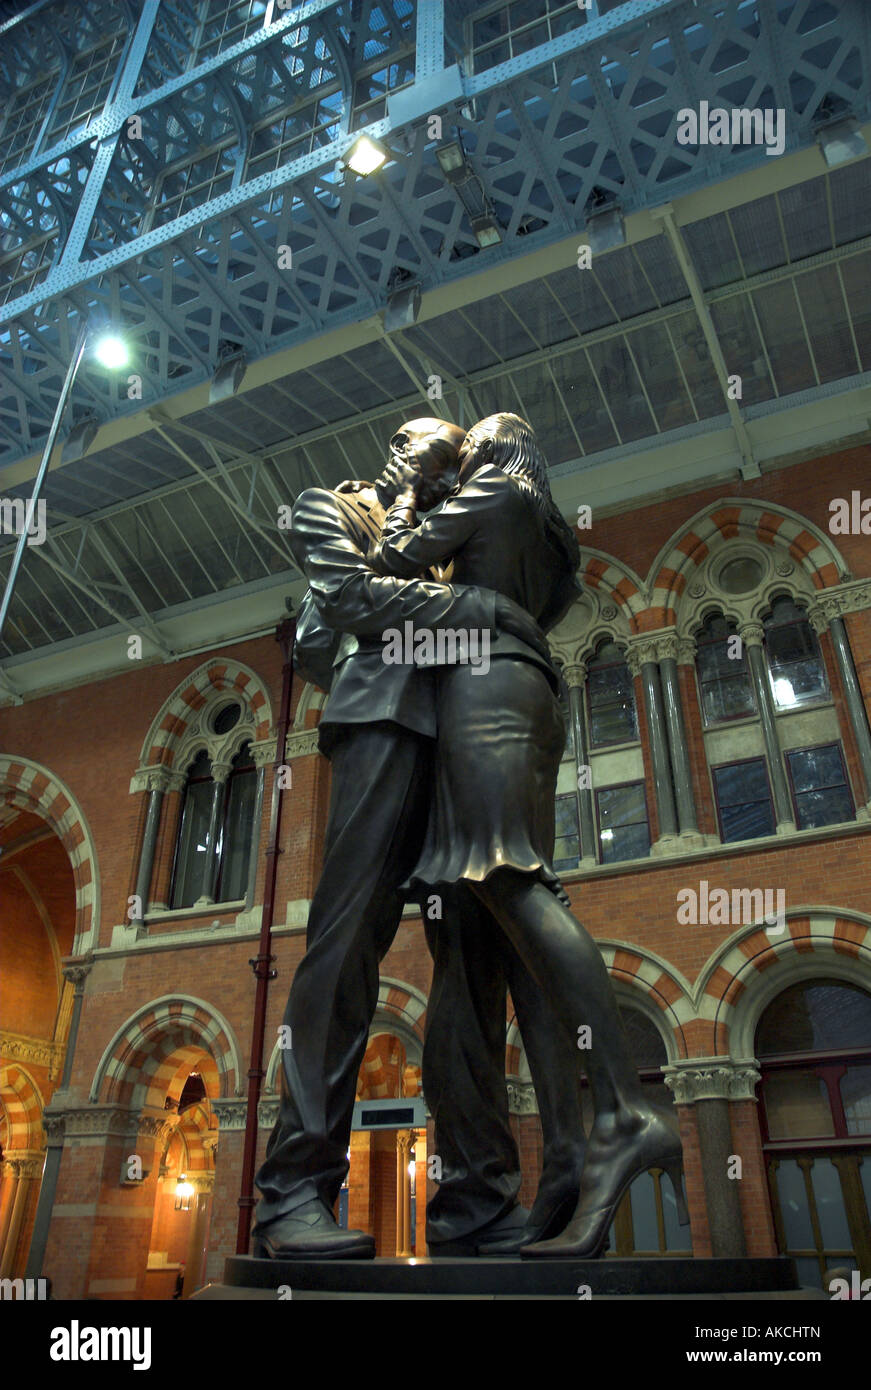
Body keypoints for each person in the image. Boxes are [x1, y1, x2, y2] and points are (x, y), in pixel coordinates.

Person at [252, 418, 583, 1259]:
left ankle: (474, 1200)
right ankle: (294, 1192)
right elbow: (340, 619)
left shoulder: (470, 519)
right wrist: (474, 612)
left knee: (474, 964)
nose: (425, 457)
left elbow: (538, 595)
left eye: (446, 452)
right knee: (346, 938)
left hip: (472, 739)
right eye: (420, 447)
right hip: (385, 724)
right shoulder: (334, 508)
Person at [371, 412, 687, 1259]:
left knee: (510, 878)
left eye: (464, 443)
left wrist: (407, 493)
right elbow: (549, 603)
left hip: (485, 691)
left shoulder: (487, 488)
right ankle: (572, 1151)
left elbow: (390, 563)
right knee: (504, 928)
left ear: (489, 450)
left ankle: (621, 1114)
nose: (455, 453)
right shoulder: (545, 525)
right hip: (530, 688)